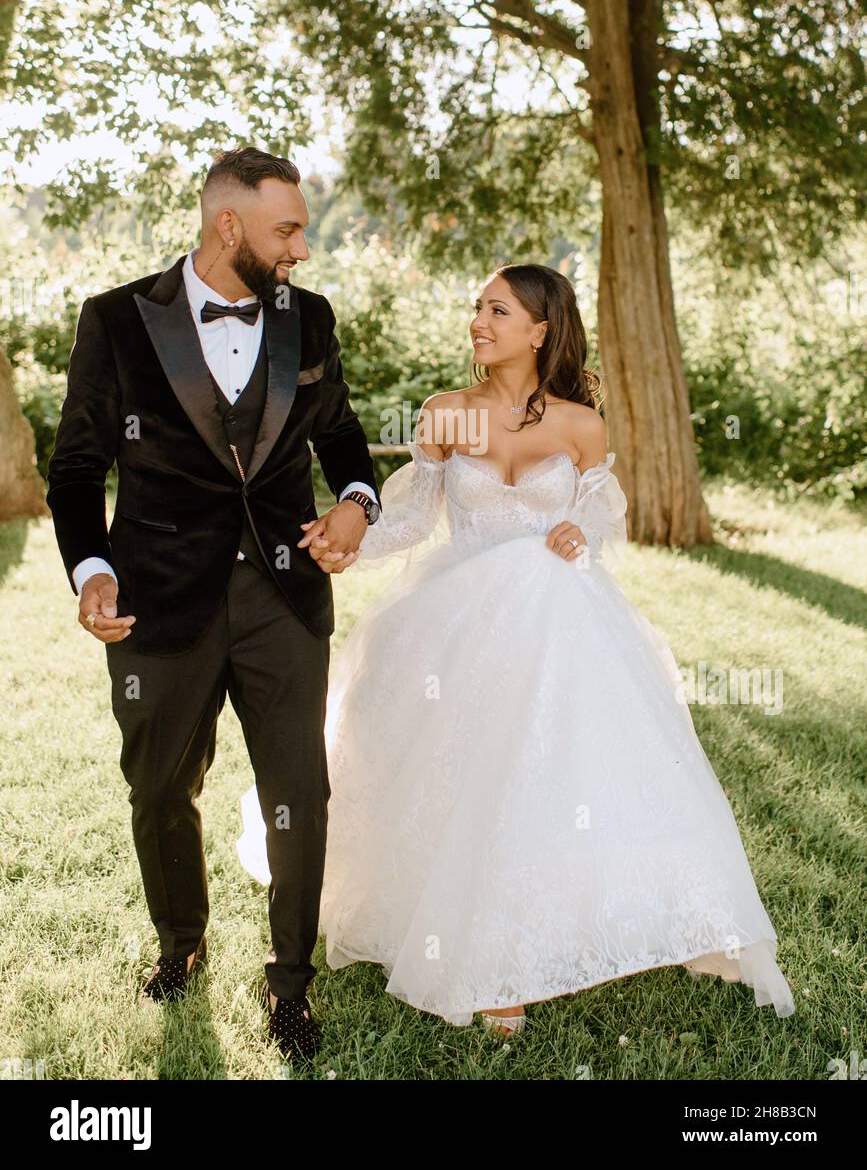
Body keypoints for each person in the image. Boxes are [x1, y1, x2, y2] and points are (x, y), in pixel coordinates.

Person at [237, 261, 796, 1036]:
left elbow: (603, 512)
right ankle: (477, 949)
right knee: (466, 774)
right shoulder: (448, 414)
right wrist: (346, 541)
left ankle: (556, 933)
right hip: (455, 625)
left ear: (539, 330)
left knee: (548, 777)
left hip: (557, 620)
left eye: (496, 310)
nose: (478, 321)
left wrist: (579, 531)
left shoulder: (577, 423)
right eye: (476, 307)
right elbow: (412, 519)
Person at [46, 146, 382, 1064]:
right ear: (227, 225)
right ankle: (179, 942)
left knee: (299, 796)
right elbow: (76, 466)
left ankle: (290, 986)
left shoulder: (306, 320)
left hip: (285, 595)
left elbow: (344, 438)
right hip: (156, 600)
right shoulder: (116, 321)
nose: (301, 249)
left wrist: (356, 504)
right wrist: (90, 570)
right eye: (287, 229)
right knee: (158, 788)